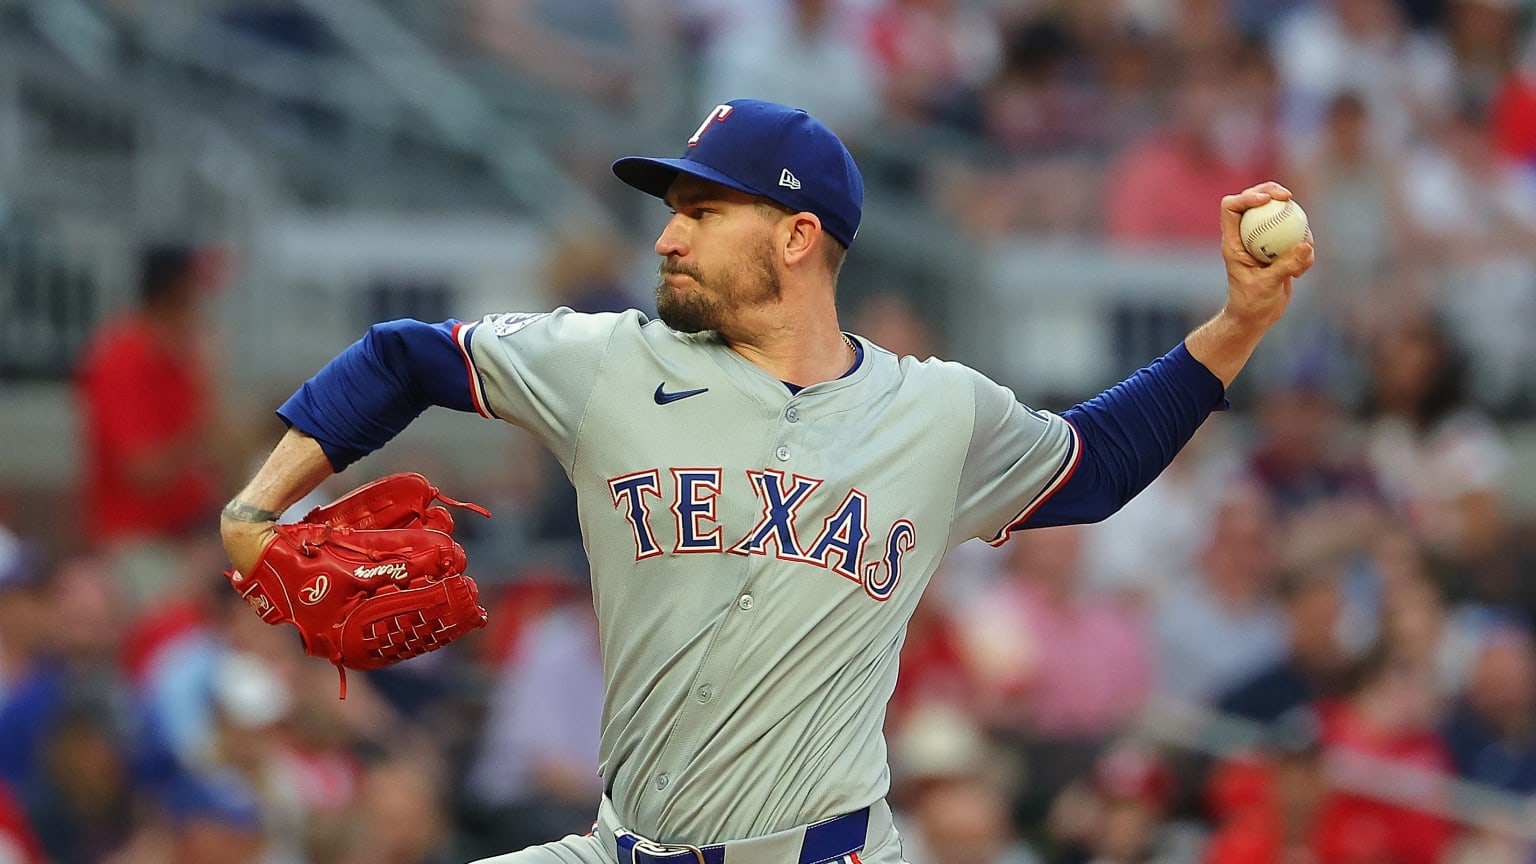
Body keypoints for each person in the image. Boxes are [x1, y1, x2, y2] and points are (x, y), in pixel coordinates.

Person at [219, 99, 1313, 864]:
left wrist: (1238, 324)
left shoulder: (937, 411)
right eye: (672, 210)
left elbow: (1093, 466)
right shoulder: (606, 362)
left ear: (796, 237)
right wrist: (259, 508)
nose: (667, 237)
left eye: (701, 212)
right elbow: (405, 355)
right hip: (621, 847)